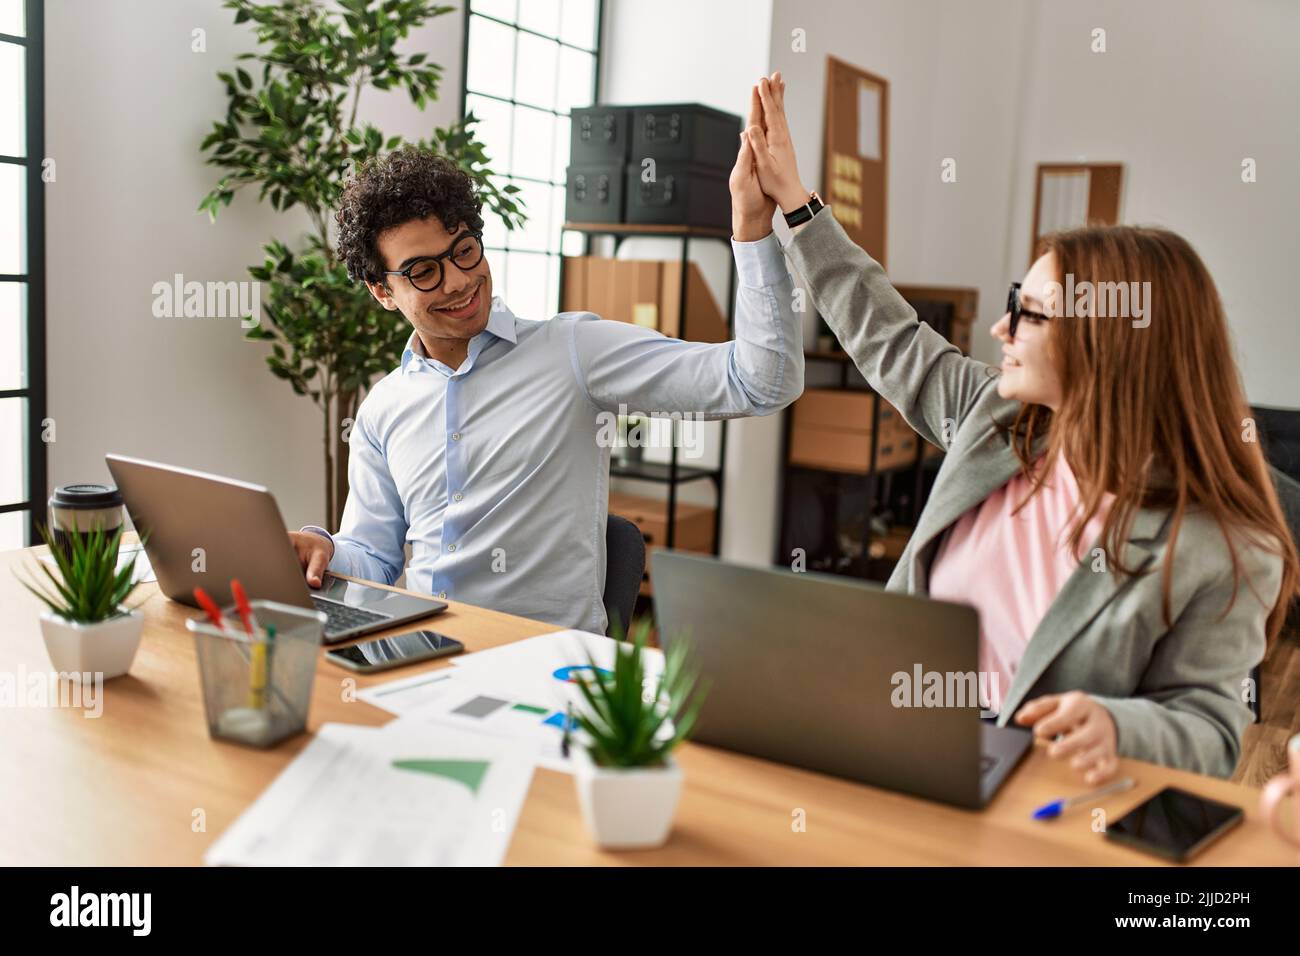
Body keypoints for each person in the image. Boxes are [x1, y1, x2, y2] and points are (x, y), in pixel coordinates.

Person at [745, 72, 1297, 780]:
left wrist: (1116, 725)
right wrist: (795, 199)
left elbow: (1213, 732)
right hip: (881, 739)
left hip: (1038, 793)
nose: (1003, 327)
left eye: (1031, 312)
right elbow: (885, 329)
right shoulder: (998, 419)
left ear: (1108, 343)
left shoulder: (1227, 547)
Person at [287, 108, 804, 635]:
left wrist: (753, 227)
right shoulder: (382, 409)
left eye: (465, 251)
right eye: (424, 271)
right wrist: (324, 551)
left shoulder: (573, 352)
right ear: (382, 291)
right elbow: (373, 563)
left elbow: (762, 380)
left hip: (540, 668)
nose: (459, 282)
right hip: (417, 661)